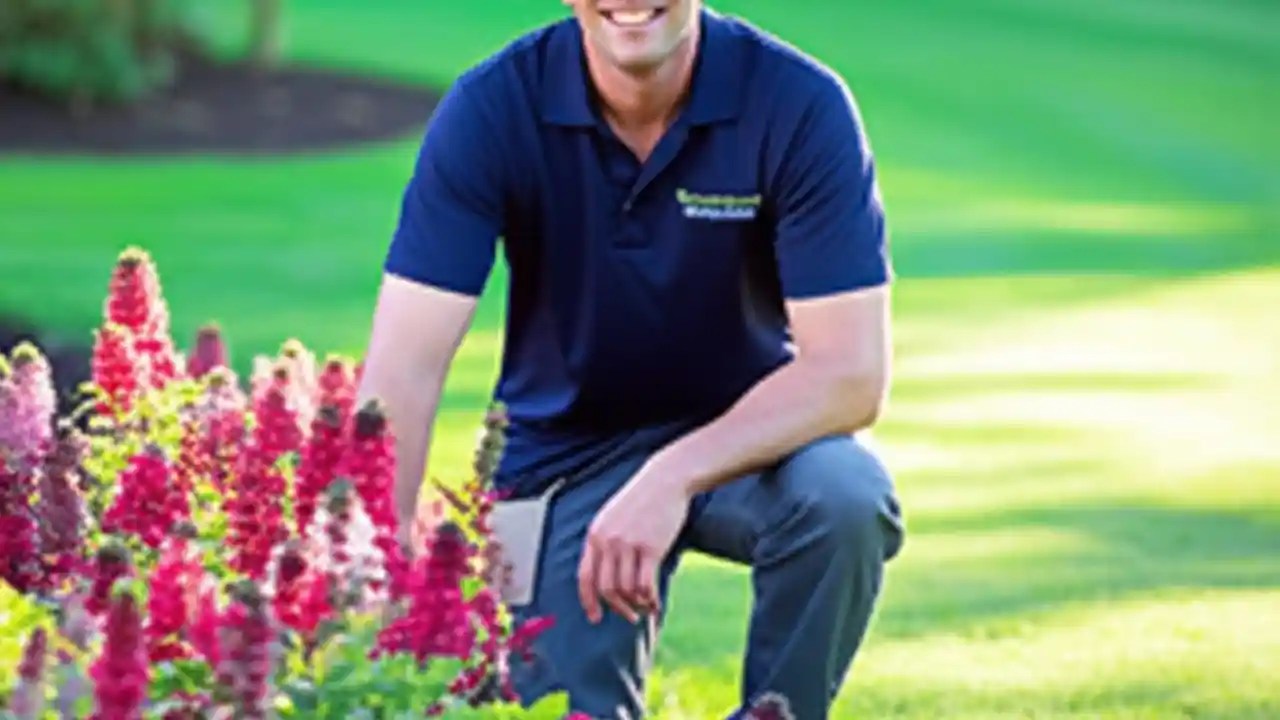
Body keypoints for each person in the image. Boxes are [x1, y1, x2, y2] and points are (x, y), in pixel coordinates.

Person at [357, 1, 905, 717]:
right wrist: (373, 553)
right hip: (559, 462)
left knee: (846, 496)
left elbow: (851, 376)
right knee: (550, 708)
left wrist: (670, 476)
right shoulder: (492, 106)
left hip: (749, 446)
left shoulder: (799, 103)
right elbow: (404, 363)